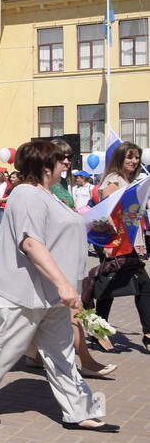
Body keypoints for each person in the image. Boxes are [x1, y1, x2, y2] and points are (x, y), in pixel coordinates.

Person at [0, 140, 117, 431]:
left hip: (54, 292)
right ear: (44, 165)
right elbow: (31, 242)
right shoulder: (26, 194)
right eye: (62, 158)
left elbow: (61, 232)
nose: (68, 163)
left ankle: (79, 411)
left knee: (61, 354)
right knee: (6, 348)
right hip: (28, 290)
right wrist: (63, 285)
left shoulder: (50, 195)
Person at [90, 142, 150, 352]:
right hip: (114, 243)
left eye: (136, 158)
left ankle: (147, 334)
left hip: (125, 242)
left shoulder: (126, 179)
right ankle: (99, 332)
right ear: (119, 159)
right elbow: (105, 206)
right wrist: (109, 242)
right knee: (109, 288)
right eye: (129, 157)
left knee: (139, 286)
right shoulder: (114, 179)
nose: (134, 161)